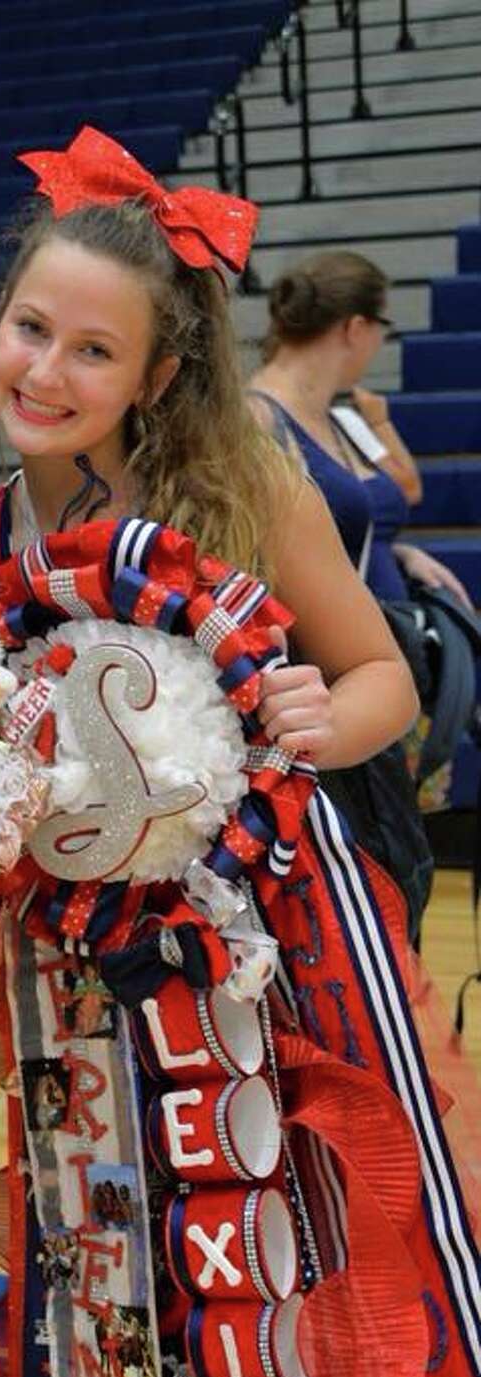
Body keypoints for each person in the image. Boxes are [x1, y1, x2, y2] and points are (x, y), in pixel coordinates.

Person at [0, 125, 481, 1377]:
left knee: (260, 1338)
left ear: (159, 369)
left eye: (90, 347)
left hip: (255, 990)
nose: (46, 366)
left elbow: (384, 670)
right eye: (31, 328)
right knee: (109, 1332)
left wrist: (342, 717)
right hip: (79, 1007)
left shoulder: (237, 475)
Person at [248, 249, 477, 932]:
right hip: (327, 674)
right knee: (368, 880)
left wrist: (399, 550)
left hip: (383, 663)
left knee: (402, 867)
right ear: (354, 327)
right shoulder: (257, 418)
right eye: (380, 325)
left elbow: (391, 496)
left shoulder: (339, 416)